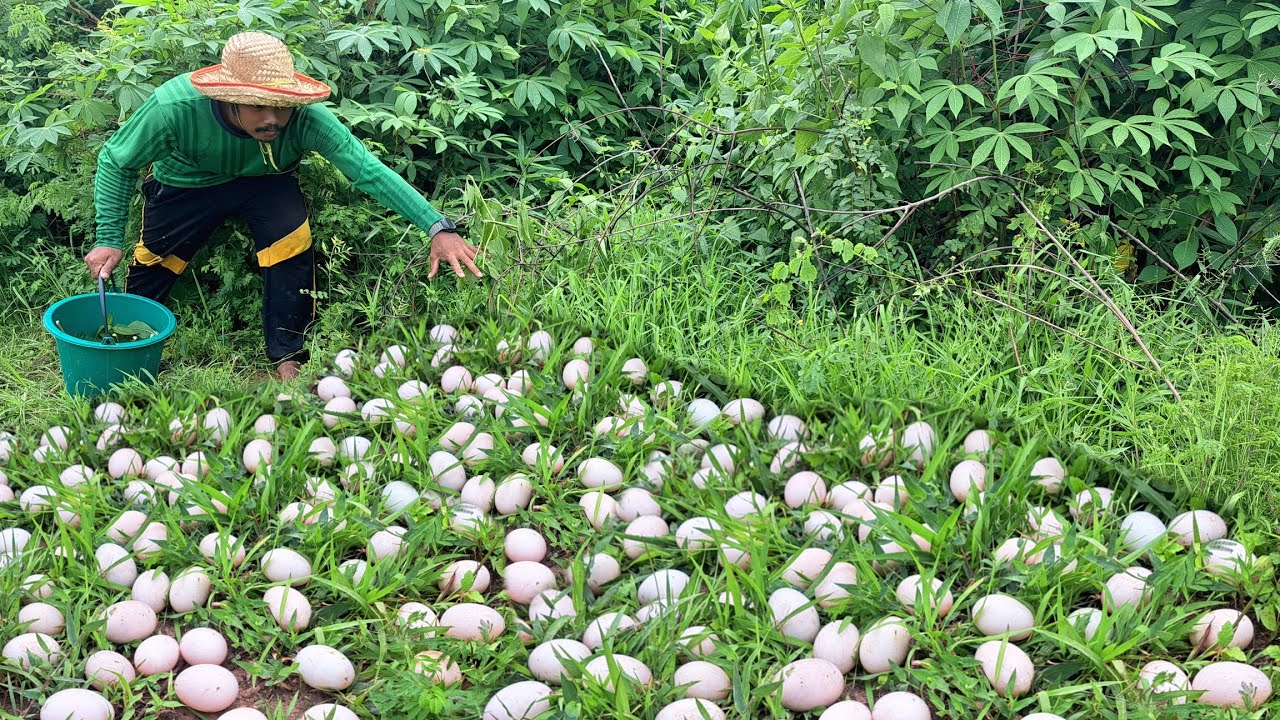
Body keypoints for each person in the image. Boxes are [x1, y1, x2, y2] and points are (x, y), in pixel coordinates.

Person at [85, 31, 481, 381]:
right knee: (155, 259)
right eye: (258, 106)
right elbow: (117, 161)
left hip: (267, 182)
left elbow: (366, 169)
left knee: (291, 243)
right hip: (187, 183)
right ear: (230, 99)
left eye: (281, 105)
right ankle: (127, 340)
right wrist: (107, 239)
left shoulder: (306, 118)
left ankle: (288, 352)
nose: (273, 118)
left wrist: (437, 227)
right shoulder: (174, 108)